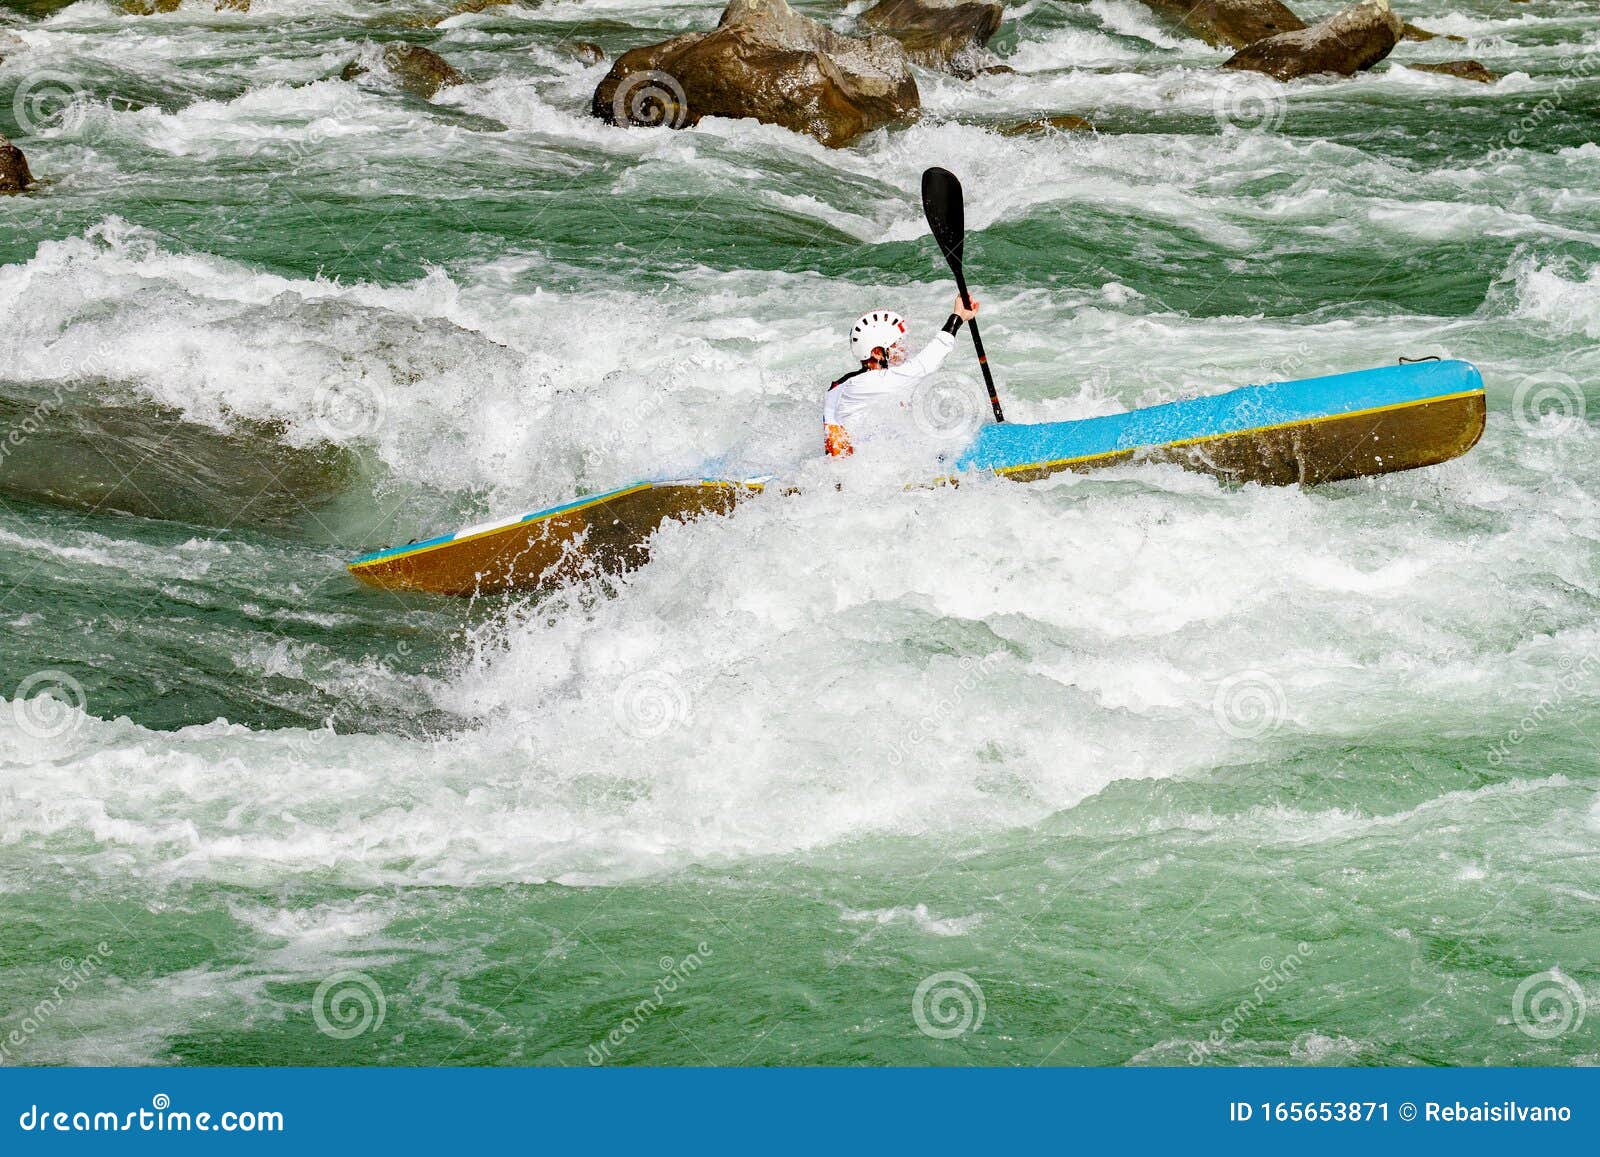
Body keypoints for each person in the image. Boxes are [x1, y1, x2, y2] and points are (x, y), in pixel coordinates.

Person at [823, 295, 981, 457]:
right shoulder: (869, 384)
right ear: (877, 353)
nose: (905, 348)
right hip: (870, 467)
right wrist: (957, 317)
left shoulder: (845, 384)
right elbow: (925, 364)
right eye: (897, 344)